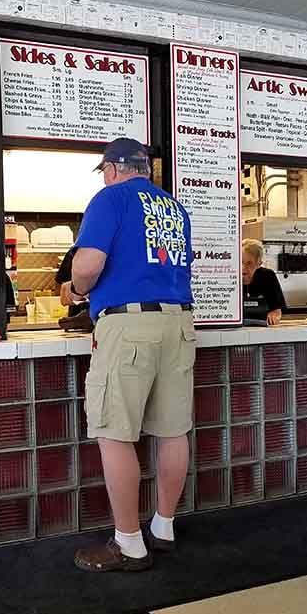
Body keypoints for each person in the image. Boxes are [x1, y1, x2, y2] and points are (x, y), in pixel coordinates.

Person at [69, 138, 194, 573]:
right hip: (179, 323)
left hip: (129, 325)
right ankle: (163, 527)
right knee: (172, 429)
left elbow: (87, 266)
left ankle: (128, 543)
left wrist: (78, 290)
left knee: (115, 432)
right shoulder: (174, 208)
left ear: (112, 168)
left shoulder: (110, 198)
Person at [242, 238, 286, 326]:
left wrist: (274, 316)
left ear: (259, 263)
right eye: (240, 262)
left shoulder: (268, 276)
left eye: (249, 263)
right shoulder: (228, 277)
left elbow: (277, 311)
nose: (243, 268)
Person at [55, 247, 93, 332]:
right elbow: (62, 292)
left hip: (91, 321)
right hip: (78, 322)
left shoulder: (76, 252)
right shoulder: (74, 253)